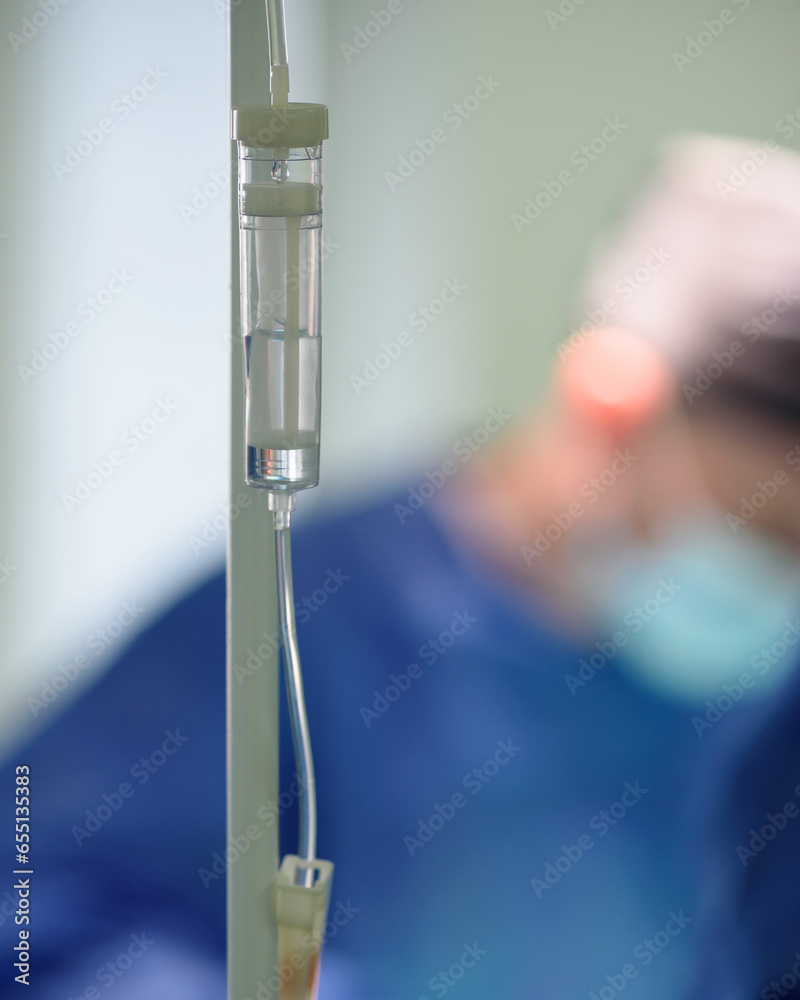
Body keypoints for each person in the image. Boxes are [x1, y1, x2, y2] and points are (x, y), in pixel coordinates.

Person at [3, 132, 800, 1000]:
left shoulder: (765, 700)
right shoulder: (307, 627)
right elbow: (41, 924)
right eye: (765, 538)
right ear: (610, 409)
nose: (779, 592)